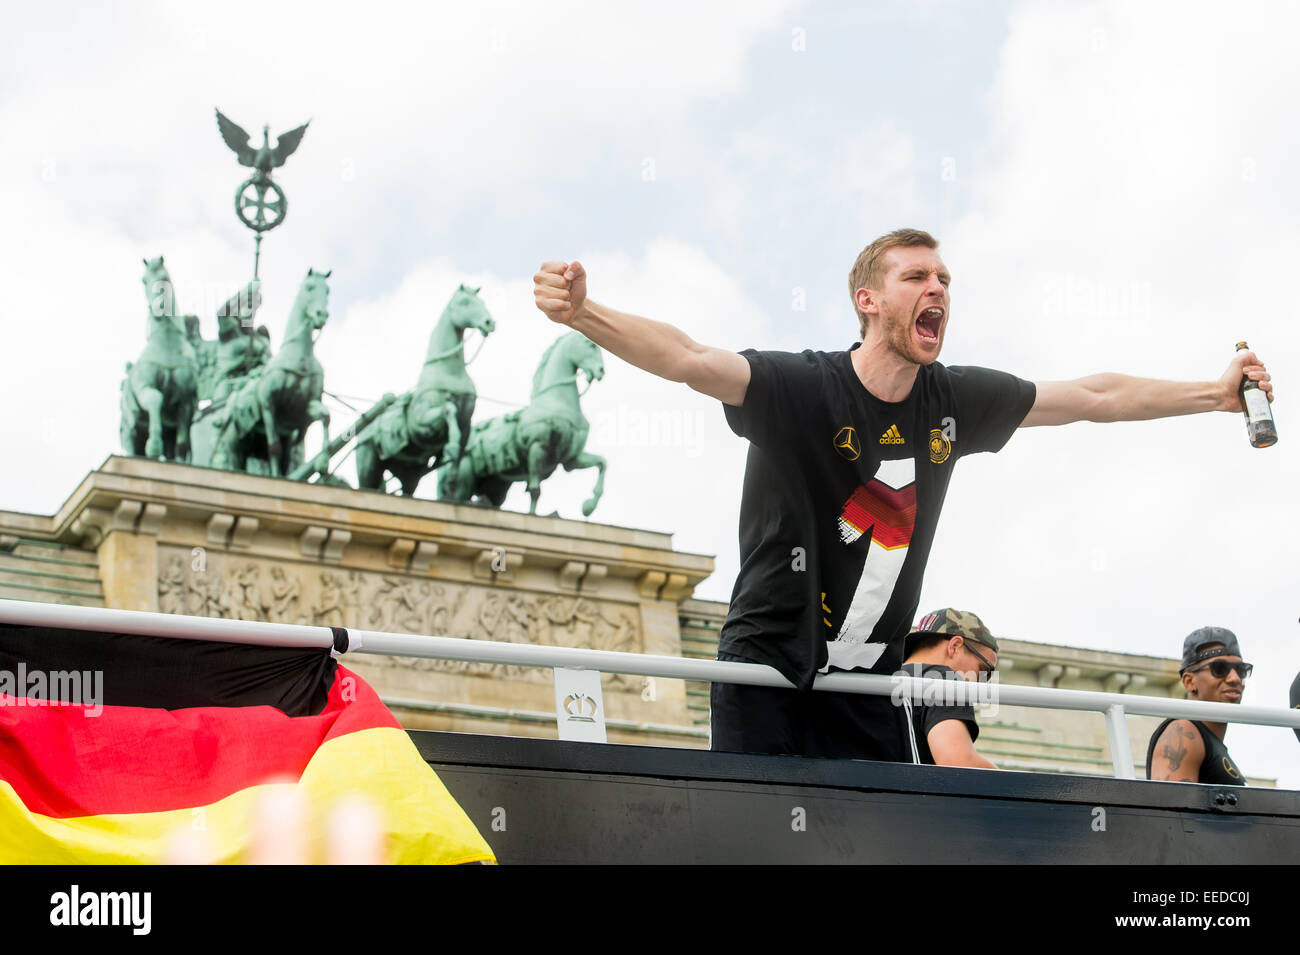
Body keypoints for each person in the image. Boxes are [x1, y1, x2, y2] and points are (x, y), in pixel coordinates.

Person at [533, 228, 1275, 760]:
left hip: (865, 687)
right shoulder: (803, 387)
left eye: (945, 280)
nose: (937, 289)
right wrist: (584, 315)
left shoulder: (953, 399)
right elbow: (691, 358)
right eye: (916, 277)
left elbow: (1090, 394)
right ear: (868, 299)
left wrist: (1212, 394)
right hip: (767, 670)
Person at [894, 608, 998, 768]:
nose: (981, 683)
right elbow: (958, 762)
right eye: (984, 670)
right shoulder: (945, 679)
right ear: (955, 646)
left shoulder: (878, 679)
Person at [1146, 627, 1249, 785]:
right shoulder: (1182, 732)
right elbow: (1171, 807)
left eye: (1241, 670)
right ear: (1189, 681)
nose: (1235, 678)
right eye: (1220, 669)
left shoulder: (1212, 745)